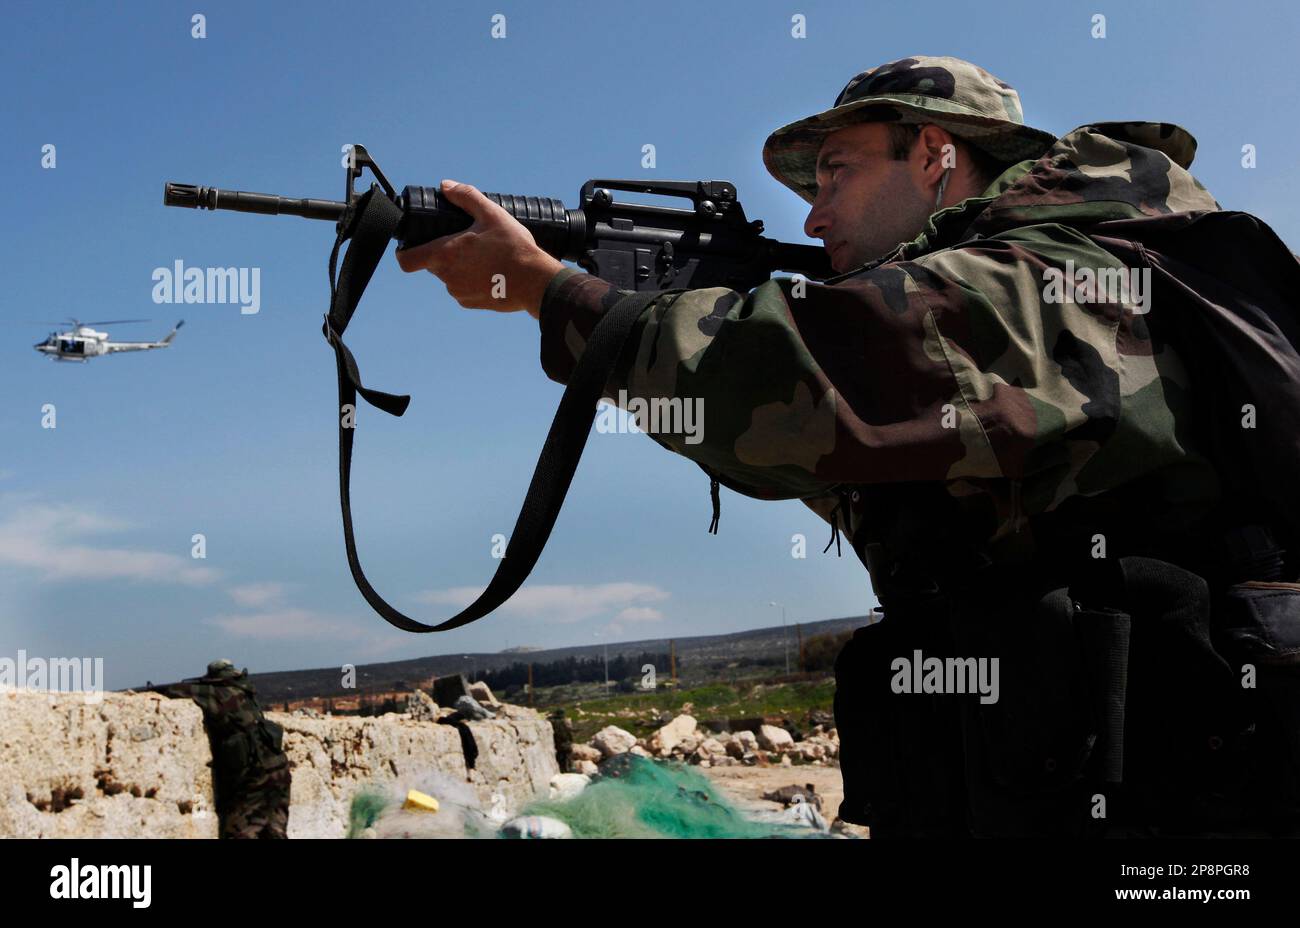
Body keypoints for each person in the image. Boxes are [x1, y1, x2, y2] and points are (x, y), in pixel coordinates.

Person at [395, 56, 1299, 836]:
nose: (816, 218)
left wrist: (557, 296)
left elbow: (796, 385)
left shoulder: (1056, 277)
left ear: (938, 156)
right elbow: (836, 463)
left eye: (836, 174)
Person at [150, 659, 291, 839]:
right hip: (279, 769)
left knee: (240, 833)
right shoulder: (246, 690)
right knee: (275, 832)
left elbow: (177, 690)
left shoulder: (218, 693)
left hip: (254, 775)